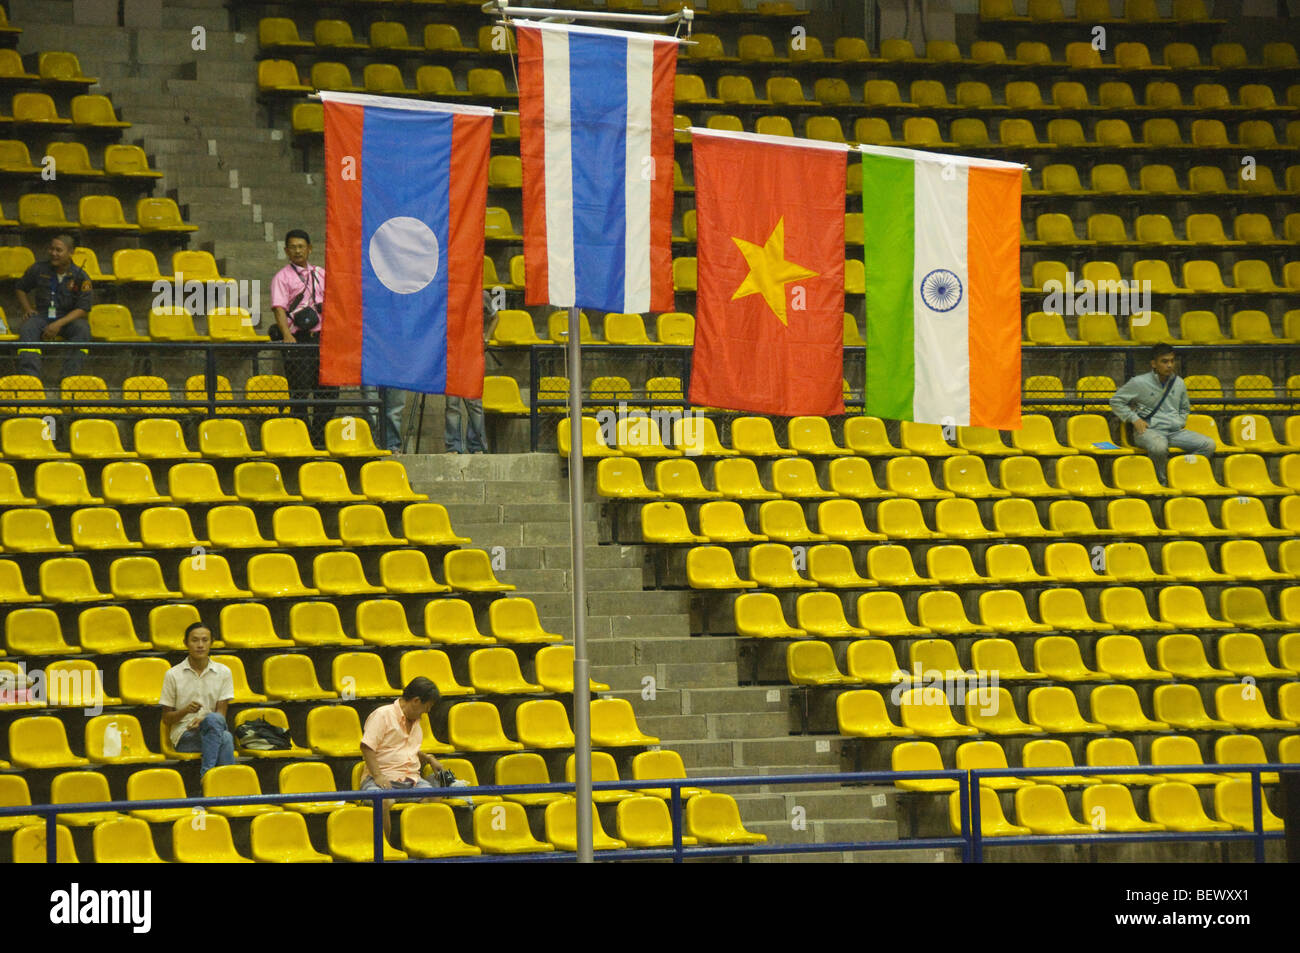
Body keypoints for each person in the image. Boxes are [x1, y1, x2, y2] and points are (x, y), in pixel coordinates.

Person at [359, 677, 452, 838]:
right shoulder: (382, 715)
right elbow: (367, 747)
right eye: (427, 707)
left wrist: (429, 758)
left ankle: (423, 845)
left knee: (433, 796)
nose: (427, 712)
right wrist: (378, 776)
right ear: (416, 701)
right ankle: (385, 851)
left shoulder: (416, 722)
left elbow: (408, 751)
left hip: (411, 781)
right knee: (382, 801)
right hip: (380, 779)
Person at [1109, 342, 1214, 483]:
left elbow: (1184, 408)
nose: (1169, 365)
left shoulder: (1179, 383)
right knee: (1159, 447)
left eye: (1172, 361)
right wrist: (1134, 418)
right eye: (1164, 362)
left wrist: (1180, 421)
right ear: (1154, 364)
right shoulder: (1139, 382)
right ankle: (1162, 482)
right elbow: (1116, 401)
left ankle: (1181, 475)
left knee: (1208, 444)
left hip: (1175, 431)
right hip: (1149, 431)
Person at [270, 229, 336, 441]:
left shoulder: (321, 273)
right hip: (299, 339)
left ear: (309, 249)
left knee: (328, 391)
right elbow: (278, 308)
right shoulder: (282, 277)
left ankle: (319, 436)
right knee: (300, 391)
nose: (297, 251)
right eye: (293, 247)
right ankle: (303, 437)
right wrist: (287, 335)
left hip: (322, 340)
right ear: (286, 251)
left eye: (301, 247)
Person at [160, 621, 236, 779]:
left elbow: (221, 715)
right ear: (185, 643)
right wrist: (185, 711)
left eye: (204, 640)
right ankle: (223, 786)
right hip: (185, 734)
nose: (200, 645)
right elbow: (166, 719)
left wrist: (204, 720)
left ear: (211, 642)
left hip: (213, 728)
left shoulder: (224, 672)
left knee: (215, 722)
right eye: (195, 640)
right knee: (226, 738)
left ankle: (207, 777)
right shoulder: (173, 674)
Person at [15, 233, 93, 379]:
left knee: (83, 329)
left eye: (58, 250)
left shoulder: (81, 276)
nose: (53, 253)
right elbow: (20, 287)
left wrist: (58, 324)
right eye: (51, 249)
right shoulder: (38, 269)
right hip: (42, 316)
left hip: (67, 319)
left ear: (71, 253)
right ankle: (31, 379)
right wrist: (27, 309)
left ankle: (68, 379)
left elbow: (83, 308)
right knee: (27, 328)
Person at [444, 290, 500, 453]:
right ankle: (453, 446)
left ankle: (476, 445)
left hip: (473, 353)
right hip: (452, 352)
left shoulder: (481, 294)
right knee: (452, 403)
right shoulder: (449, 291)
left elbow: (495, 317)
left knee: (474, 402)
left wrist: (486, 338)